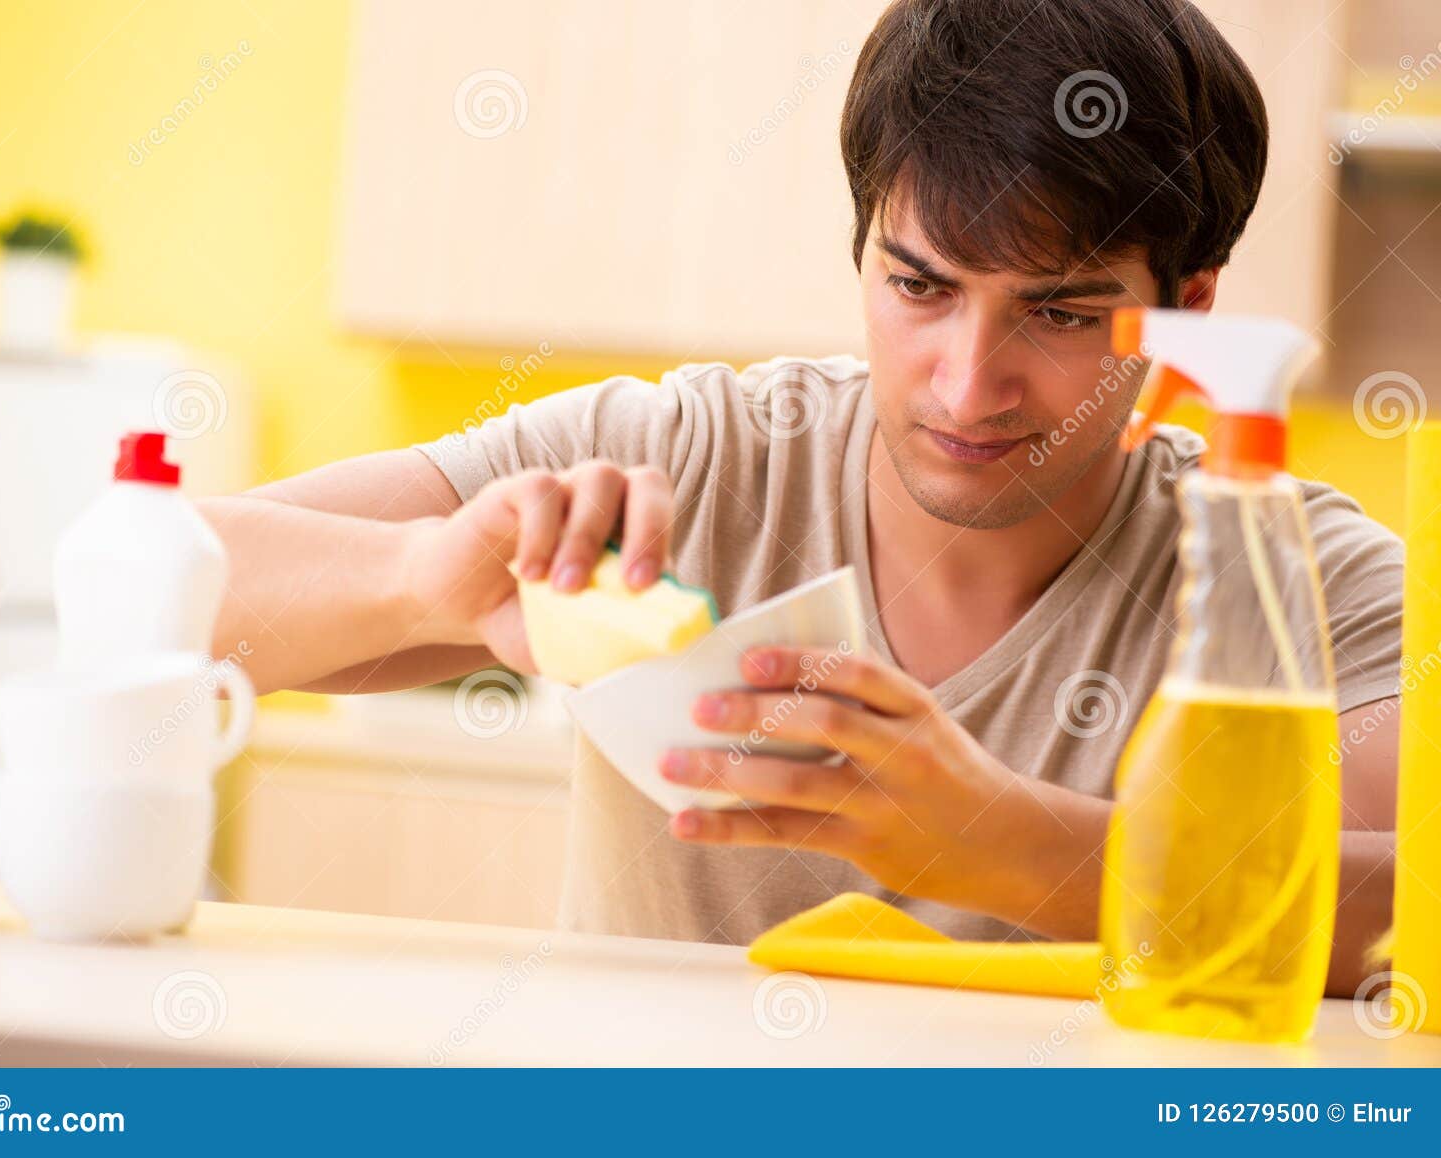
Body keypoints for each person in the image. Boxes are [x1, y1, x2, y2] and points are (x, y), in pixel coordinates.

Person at [201, 0, 1401, 996]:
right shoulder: (694, 453)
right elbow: (171, 582)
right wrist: (422, 580)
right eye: (918, 285)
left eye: (1060, 313)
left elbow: (1411, 901)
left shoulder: (1295, 571)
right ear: (864, 249)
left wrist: (1010, 846)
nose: (967, 382)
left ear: (1186, 311)